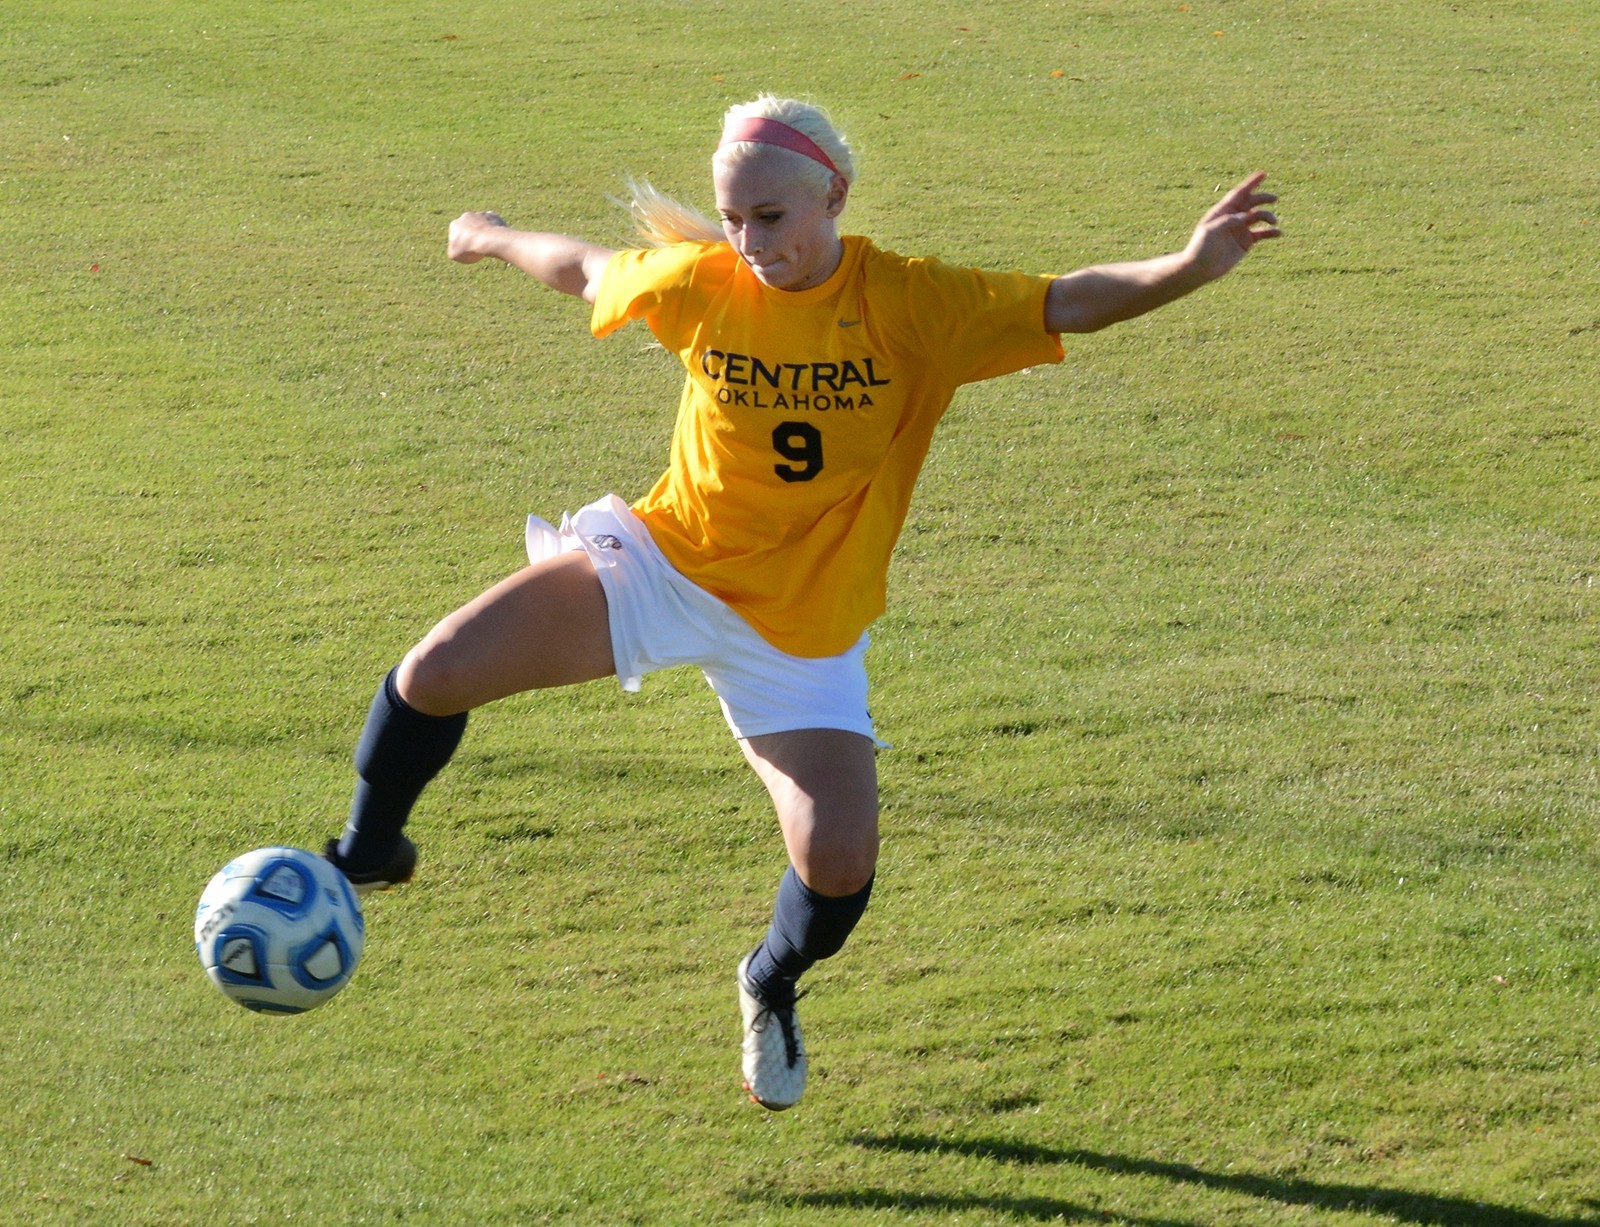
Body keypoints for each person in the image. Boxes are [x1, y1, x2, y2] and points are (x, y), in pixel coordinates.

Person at [322, 95, 1280, 1111]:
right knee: (434, 673)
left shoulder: (911, 304)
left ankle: (769, 981)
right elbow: (589, 270)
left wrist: (1185, 268)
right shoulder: (705, 282)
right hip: (664, 565)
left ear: (835, 195)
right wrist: (493, 237)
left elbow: (1065, 302)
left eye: (768, 219)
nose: (747, 241)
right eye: (732, 219)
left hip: (801, 624)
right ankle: (368, 854)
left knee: (836, 861)